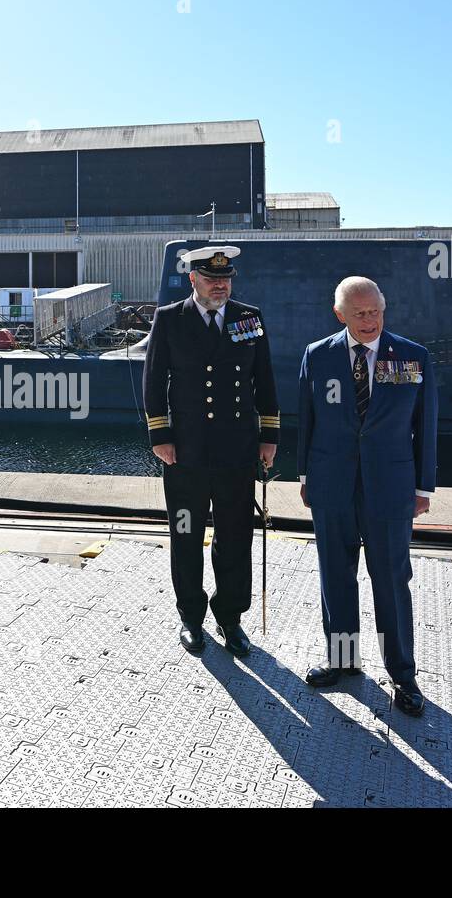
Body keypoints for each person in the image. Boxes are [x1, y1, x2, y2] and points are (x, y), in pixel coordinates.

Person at [296, 276, 438, 716]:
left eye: (375, 311)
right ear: (339, 314)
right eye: (358, 314)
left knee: (392, 581)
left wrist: (423, 486)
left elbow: (424, 425)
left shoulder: (412, 357)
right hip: (331, 485)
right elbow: (308, 420)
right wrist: (305, 475)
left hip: (391, 489)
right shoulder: (318, 357)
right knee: (335, 577)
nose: (369, 320)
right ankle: (342, 662)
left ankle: (403, 674)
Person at [143, 245, 280, 657]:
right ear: (193, 280)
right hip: (185, 451)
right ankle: (191, 616)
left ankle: (230, 616)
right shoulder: (170, 319)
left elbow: (265, 379)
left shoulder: (248, 318)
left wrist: (268, 435)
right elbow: (153, 383)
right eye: (210, 278)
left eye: (225, 278)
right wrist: (160, 437)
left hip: (237, 450)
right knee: (186, 532)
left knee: (235, 534)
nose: (220, 285)